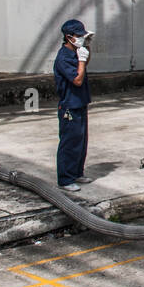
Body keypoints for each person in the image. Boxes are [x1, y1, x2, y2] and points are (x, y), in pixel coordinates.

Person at [54, 19, 92, 191]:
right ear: (69, 37)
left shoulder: (76, 53)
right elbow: (77, 79)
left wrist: (86, 51)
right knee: (69, 142)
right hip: (70, 104)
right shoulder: (63, 57)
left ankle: (77, 172)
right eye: (79, 36)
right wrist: (82, 61)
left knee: (81, 141)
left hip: (80, 102)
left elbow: (82, 69)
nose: (81, 39)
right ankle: (66, 179)